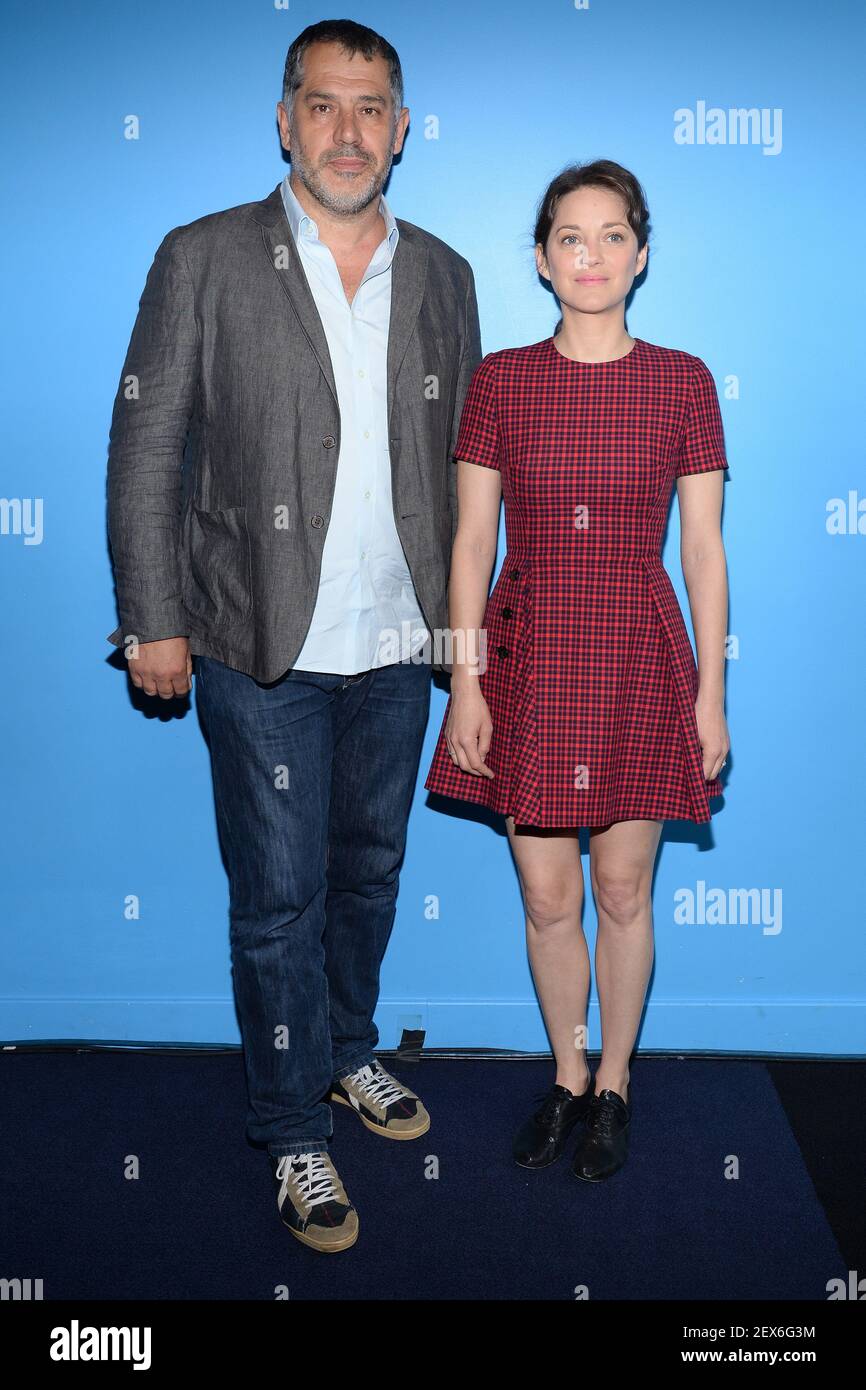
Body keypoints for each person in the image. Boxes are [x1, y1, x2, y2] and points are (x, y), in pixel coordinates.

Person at [106, 19, 481, 1252]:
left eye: (370, 108)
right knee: (277, 900)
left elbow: (469, 470)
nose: (346, 132)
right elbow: (147, 448)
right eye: (323, 105)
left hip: (399, 645)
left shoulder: (444, 273)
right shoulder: (202, 255)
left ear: (401, 128)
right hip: (255, 643)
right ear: (284, 121)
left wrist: (469, 636)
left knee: (369, 872)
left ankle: (345, 1049)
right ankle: (290, 1130)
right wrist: (153, 618)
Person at [424, 159, 730, 1182]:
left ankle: (615, 1086)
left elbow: (702, 552)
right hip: (531, 657)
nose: (590, 255)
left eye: (611, 236)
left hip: (637, 655)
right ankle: (566, 1072)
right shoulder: (500, 380)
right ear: (541, 258)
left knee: (624, 890)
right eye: (569, 236)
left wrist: (710, 695)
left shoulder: (683, 380)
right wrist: (465, 681)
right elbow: (471, 543)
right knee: (548, 899)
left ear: (639, 256)